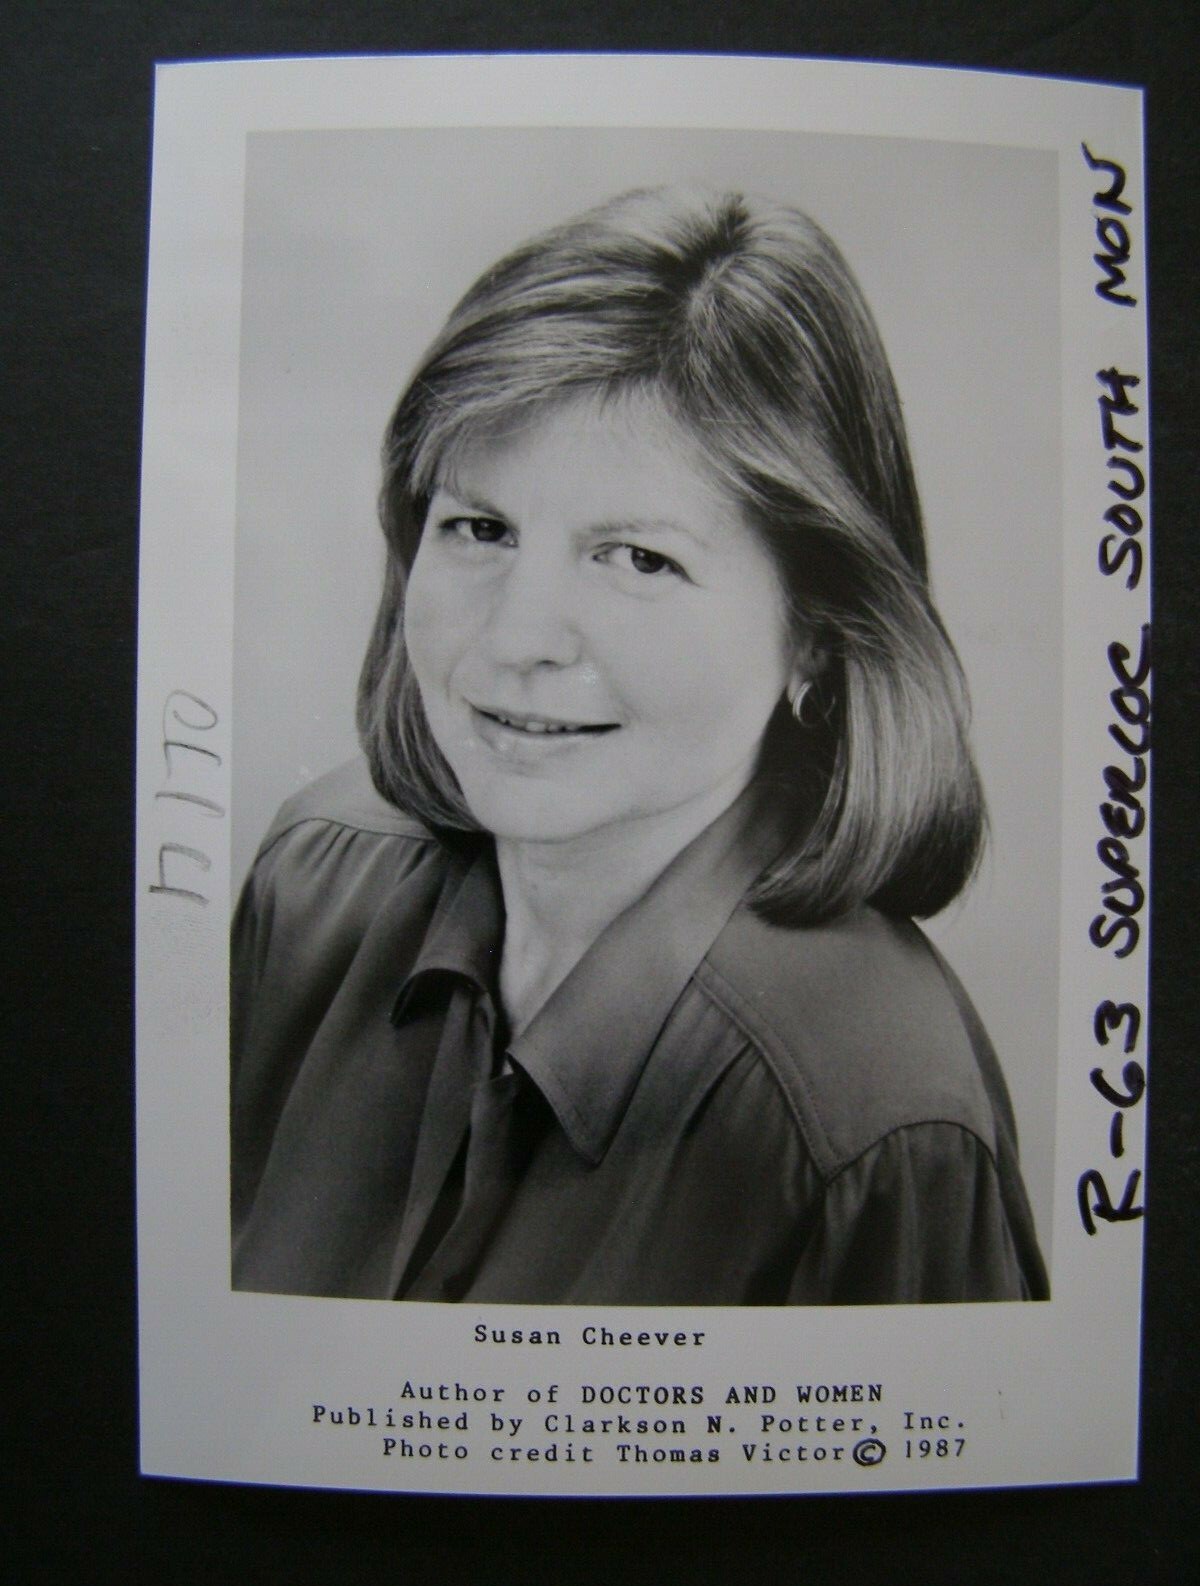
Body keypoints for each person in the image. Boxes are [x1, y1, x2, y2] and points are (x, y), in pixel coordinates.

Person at [231, 185, 1048, 1305]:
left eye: (639, 559)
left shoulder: (877, 1123)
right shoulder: (312, 884)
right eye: (481, 528)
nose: (516, 640)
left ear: (818, 631)